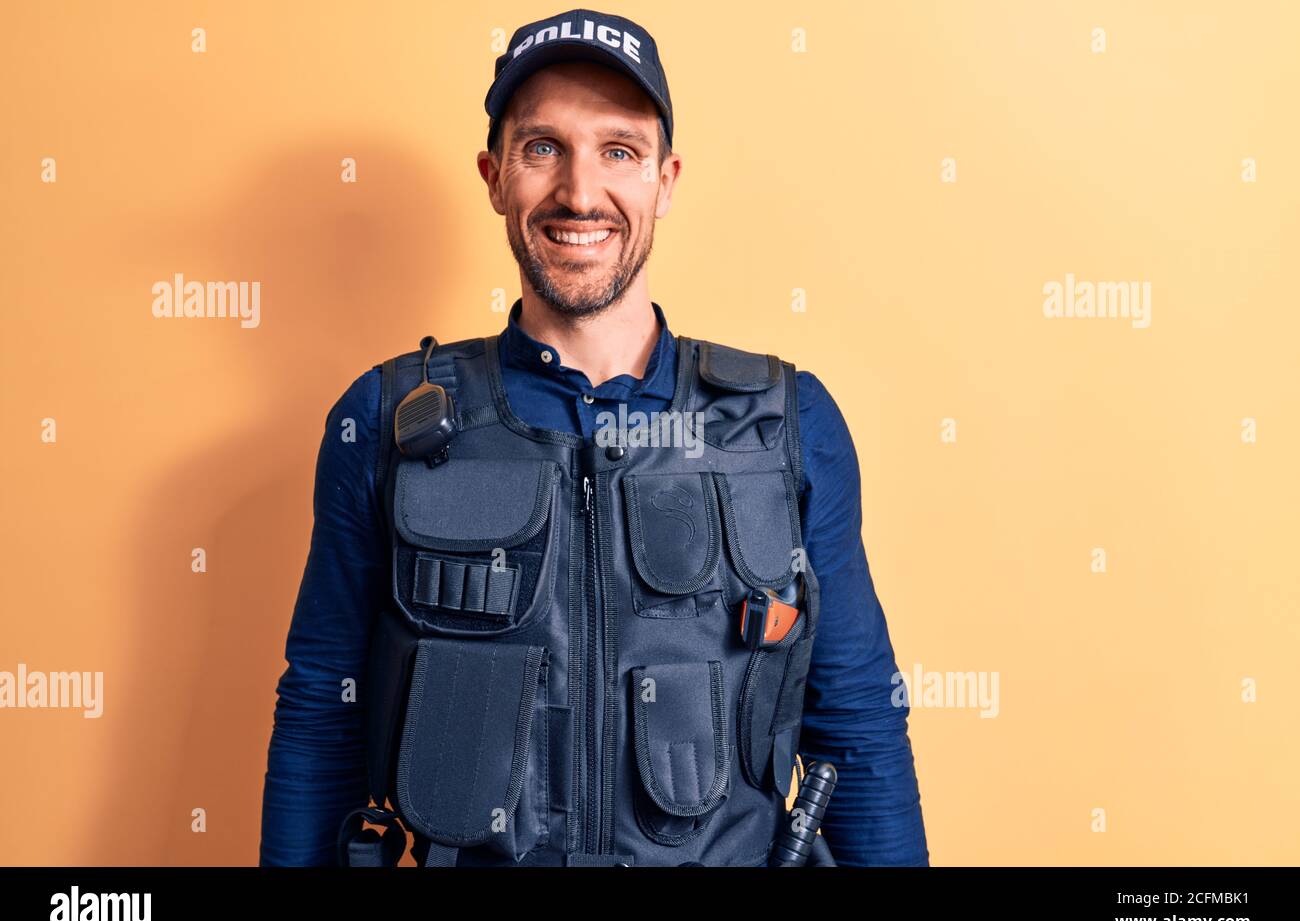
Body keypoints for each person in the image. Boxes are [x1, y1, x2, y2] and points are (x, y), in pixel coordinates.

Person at [259, 8, 929, 867]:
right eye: (543, 148)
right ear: (495, 175)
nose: (580, 193)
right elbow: (323, 712)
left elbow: (859, 724)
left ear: (666, 179)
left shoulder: (790, 424)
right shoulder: (385, 422)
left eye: (619, 151)